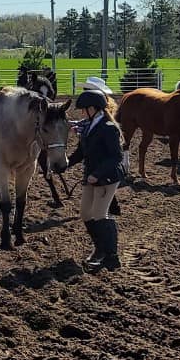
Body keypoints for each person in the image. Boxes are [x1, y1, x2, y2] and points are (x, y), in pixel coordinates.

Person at [65, 89, 125, 271]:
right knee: (85, 214)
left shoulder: (108, 128)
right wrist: (65, 164)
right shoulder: (90, 126)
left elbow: (116, 157)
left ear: (94, 108)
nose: (82, 113)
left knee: (99, 215)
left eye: (84, 110)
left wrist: (97, 174)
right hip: (91, 175)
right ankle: (100, 249)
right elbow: (82, 152)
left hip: (107, 177)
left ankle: (112, 257)